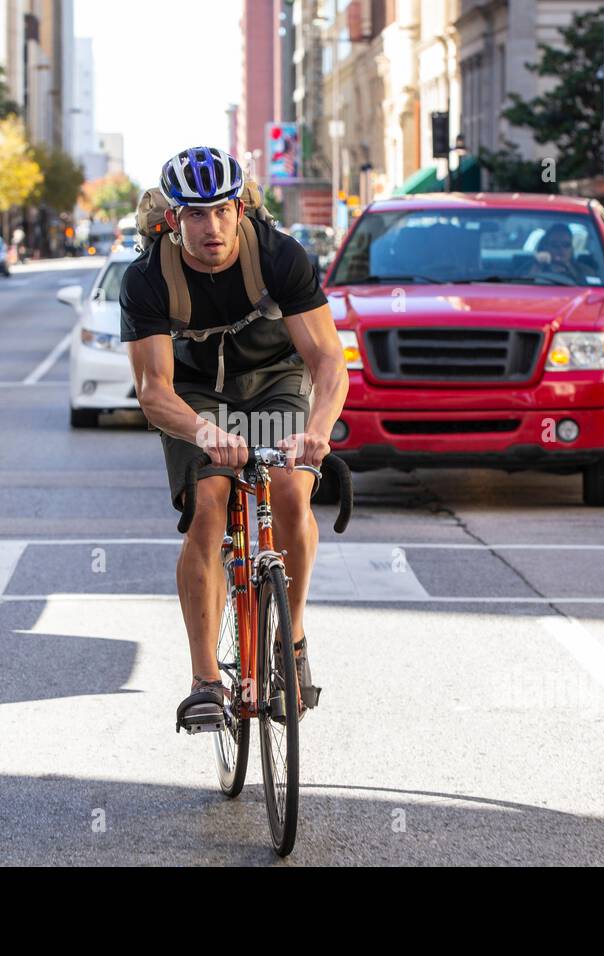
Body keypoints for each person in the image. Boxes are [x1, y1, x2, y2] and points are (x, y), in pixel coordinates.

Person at [120, 146, 348, 731]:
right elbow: (152, 390)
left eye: (222, 211)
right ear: (174, 220)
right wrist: (205, 433)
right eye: (196, 215)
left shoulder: (279, 257)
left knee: (293, 492)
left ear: (241, 209)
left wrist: (317, 433)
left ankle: (290, 640)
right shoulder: (147, 280)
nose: (212, 227)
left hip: (274, 382)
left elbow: (327, 360)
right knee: (210, 503)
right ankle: (205, 682)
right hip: (192, 396)